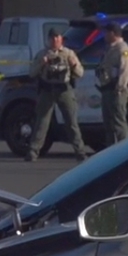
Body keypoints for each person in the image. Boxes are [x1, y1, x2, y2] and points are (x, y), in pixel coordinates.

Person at [27, 27, 87, 162]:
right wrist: (42, 64)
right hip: (47, 89)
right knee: (42, 121)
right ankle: (33, 151)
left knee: (71, 121)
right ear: (48, 40)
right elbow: (32, 73)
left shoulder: (68, 54)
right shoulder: (42, 54)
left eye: (57, 37)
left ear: (61, 39)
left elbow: (80, 74)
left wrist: (74, 65)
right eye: (52, 38)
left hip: (64, 89)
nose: (55, 40)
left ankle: (80, 151)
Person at [98, 23, 128, 144]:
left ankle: (124, 149)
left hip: (116, 90)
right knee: (108, 123)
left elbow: (125, 70)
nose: (104, 36)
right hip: (107, 88)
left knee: (119, 122)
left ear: (112, 33)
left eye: (106, 33)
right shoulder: (110, 48)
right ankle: (110, 150)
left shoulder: (123, 49)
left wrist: (120, 88)